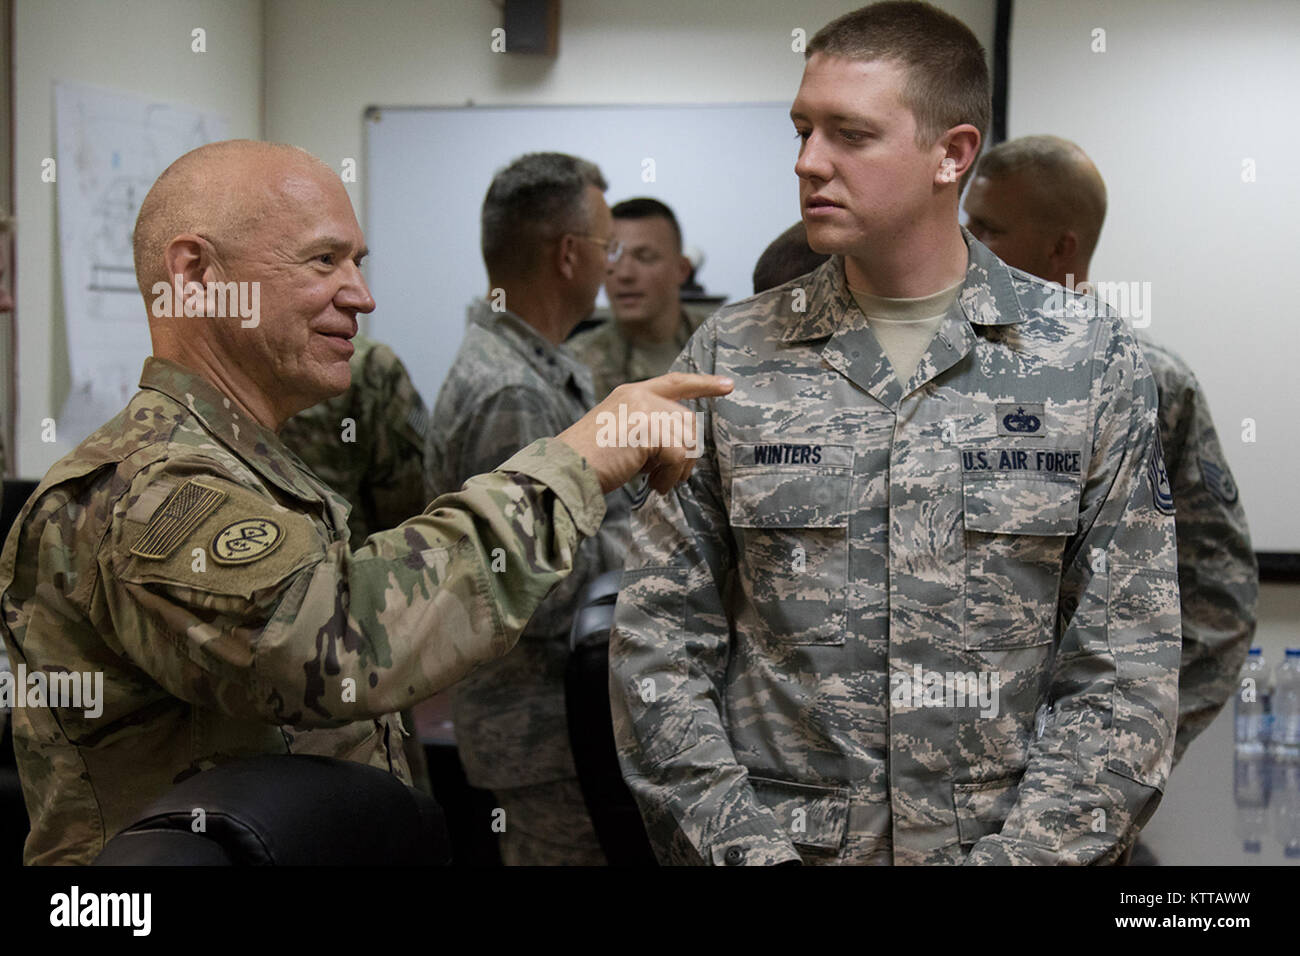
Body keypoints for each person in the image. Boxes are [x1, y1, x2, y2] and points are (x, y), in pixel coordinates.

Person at [0, 139, 730, 865]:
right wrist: (578, 461)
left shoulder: (247, 464)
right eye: (323, 261)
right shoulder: (143, 485)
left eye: (359, 262)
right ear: (195, 275)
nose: (361, 295)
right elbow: (334, 638)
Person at [609, 1, 1180, 866]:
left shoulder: (1090, 362)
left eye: (850, 134)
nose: (808, 162)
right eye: (801, 130)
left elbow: (1125, 668)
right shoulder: (732, 356)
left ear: (952, 154)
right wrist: (745, 856)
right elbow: (659, 643)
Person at [963, 135, 1257, 767]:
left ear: (1060, 248)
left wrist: (1126, 761)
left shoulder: (1149, 382)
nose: (964, 242)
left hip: (1075, 784)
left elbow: (1219, 598)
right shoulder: (944, 367)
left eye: (987, 227)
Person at [426, 153, 632, 865]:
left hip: (558, 726)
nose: (615, 266)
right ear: (570, 255)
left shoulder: (534, 363)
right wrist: (651, 550)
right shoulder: (511, 391)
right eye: (608, 247)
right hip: (541, 733)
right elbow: (530, 589)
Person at [279, 332, 435, 792]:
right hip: (360, 645)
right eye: (326, 258)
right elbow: (411, 528)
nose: (357, 295)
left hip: (265, 674)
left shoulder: (210, 366)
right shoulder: (365, 366)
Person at [569, 198, 700, 402]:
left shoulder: (724, 348)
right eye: (612, 256)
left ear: (681, 270)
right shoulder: (576, 365)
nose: (624, 274)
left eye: (644, 257)